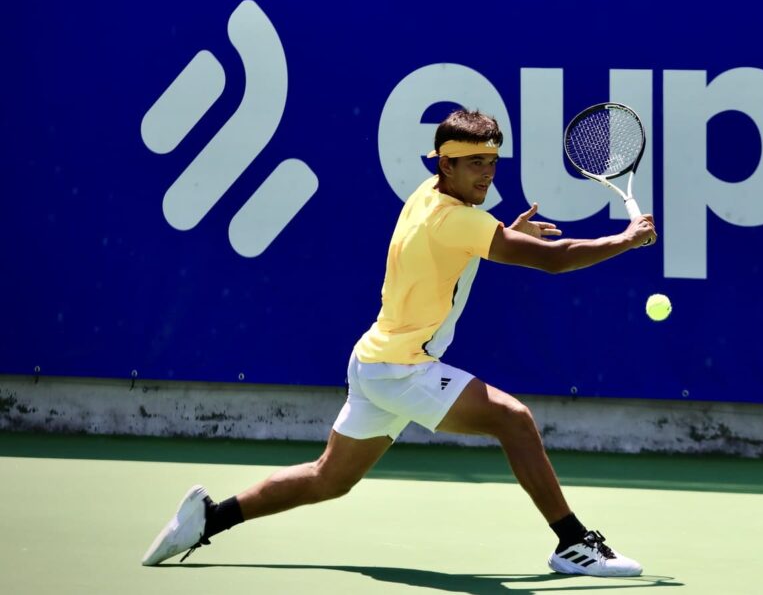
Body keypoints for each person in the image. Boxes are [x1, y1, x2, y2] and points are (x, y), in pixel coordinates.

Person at [141, 108, 657, 577]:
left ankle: (209, 518)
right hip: (402, 369)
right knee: (513, 420)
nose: (486, 172)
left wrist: (502, 233)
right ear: (445, 165)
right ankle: (573, 543)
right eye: (473, 162)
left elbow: (471, 242)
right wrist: (625, 239)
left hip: (372, 362)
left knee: (329, 479)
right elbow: (554, 259)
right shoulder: (458, 219)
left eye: (492, 162)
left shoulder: (428, 197)